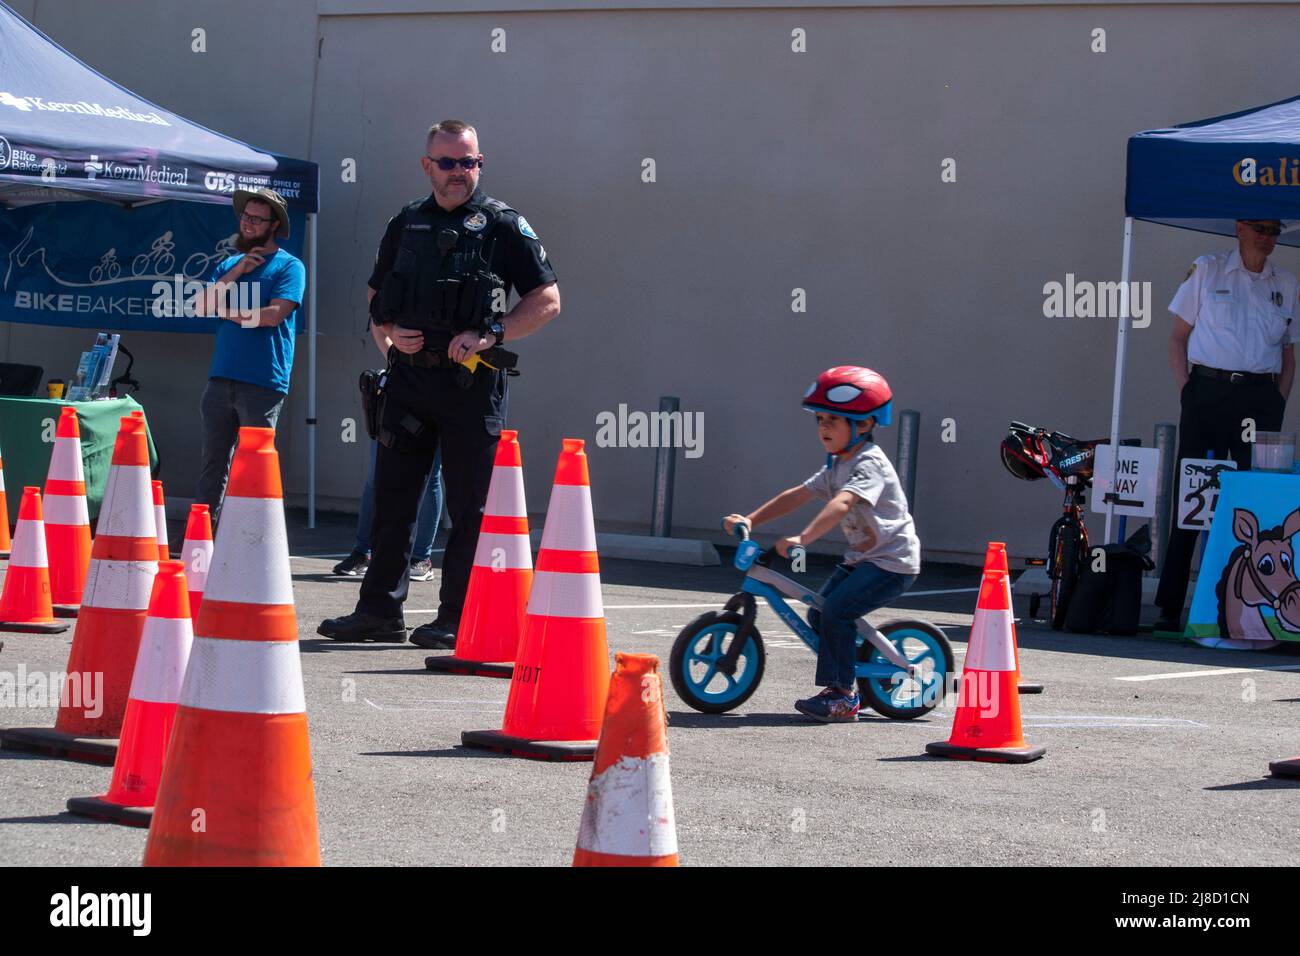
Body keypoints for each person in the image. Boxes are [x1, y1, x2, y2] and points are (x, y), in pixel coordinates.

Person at [318, 119, 560, 648]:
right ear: (427, 166)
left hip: (471, 386)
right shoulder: (405, 223)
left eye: (469, 162)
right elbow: (376, 297)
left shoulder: (502, 225)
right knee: (393, 500)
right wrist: (389, 338)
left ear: (480, 164)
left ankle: (456, 617)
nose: (460, 172)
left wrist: (491, 334)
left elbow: (547, 300)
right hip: (408, 384)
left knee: (469, 507)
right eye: (448, 162)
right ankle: (379, 612)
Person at [723, 366, 921, 722]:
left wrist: (803, 538)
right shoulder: (836, 464)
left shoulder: (868, 464)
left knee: (835, 612)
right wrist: (751, 519)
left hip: (891, 563)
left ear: (864, 424)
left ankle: (843, 696)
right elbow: (797, 495)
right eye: (820, 419)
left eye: (834, 419)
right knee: (819, 612)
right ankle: (855, 665)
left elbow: (842, 503)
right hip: (864, 560)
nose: (824, 427)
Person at [1153, 219, 1297, 632]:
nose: (1265, 237)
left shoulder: (1285, 283)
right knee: (1192, 496)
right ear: (1239, 229)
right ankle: (1170, 605)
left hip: (1258, 398)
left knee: (1253, 500)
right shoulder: (1208, 268)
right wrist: (1187, 393)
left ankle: (1248, 608)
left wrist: (1277, 402)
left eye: (1272, 230)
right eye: (1257, 228)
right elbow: (1178, 336)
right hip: (1208, 392)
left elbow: (1289, 354)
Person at [191, 187, 305, 523]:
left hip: (263, 380)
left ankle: (249, 539)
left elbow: (273, 316)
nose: (248, 223)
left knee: (253, 464)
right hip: (220, 377)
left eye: (257, 219)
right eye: (245, 216)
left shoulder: (290, 266)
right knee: (213, 462)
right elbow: (200, 306)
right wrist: (237, 271)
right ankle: (203, 537)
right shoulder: (229, 264)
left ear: (274, 225)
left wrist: (225, 311)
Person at [334, 318, 444, 580]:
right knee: (377, 475)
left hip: (440, 390)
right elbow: (377, 320)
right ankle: (363, 551)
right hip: (398, 390)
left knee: (430, 478)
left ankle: (421, 558)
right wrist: (397, 356)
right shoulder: (396, 283)